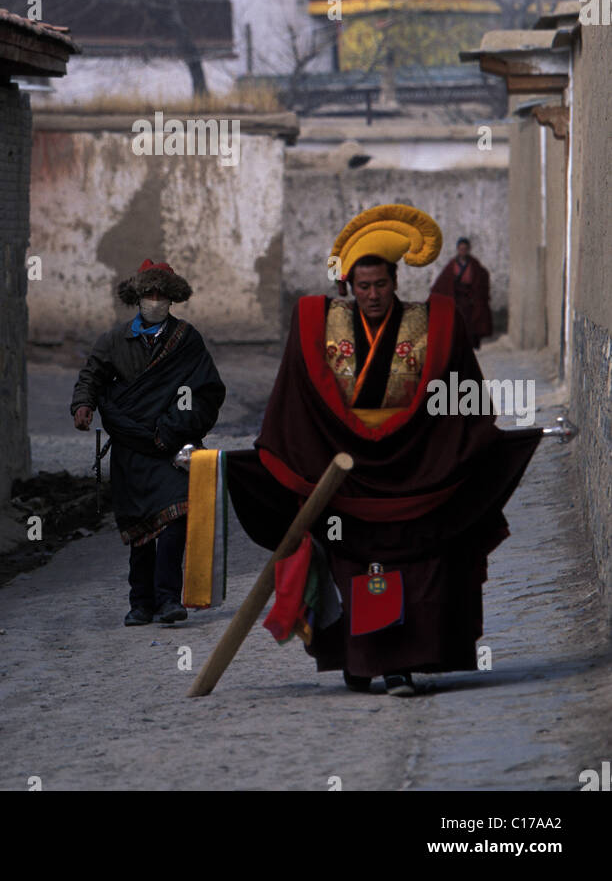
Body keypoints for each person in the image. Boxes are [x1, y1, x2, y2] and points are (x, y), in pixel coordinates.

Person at [223, 204, 541, 696]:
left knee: (417, 573)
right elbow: (297, 396)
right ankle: (359, 660)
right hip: (346, 476)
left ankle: (399, 665)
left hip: (417, 471)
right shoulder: (319, 324)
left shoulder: (432, 324)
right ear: (348, 286)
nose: (372, 296)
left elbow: (461, 393)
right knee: (355, 573)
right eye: (363, 286)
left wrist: (474, 444)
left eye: (381, 285)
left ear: (397, 281)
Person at [71, 258, 225, 627]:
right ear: (137, 297)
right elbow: (91, 377)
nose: (155, 300)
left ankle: (169, 598)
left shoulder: (186, 341)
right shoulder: (114, 341)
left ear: (172, 298)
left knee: (175, 520)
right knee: (139, 528)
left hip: (172, 446)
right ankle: (140, 602)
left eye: (161, 294)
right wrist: (83, 405)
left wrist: (174, 427)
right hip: (130, 447)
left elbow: (206, 392)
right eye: (148, 294)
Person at [430, 236, 493, 348]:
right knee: (456, 322)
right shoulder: (452, 264)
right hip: (457, 298)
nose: (463, 251)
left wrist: (478, 293)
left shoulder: (473, 263)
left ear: (468, 249)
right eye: (461, 248)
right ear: (458, 249)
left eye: (465, 248)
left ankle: (469, 343)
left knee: (470, 322)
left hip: (469, 299)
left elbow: (482, 276)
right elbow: (444, 280)